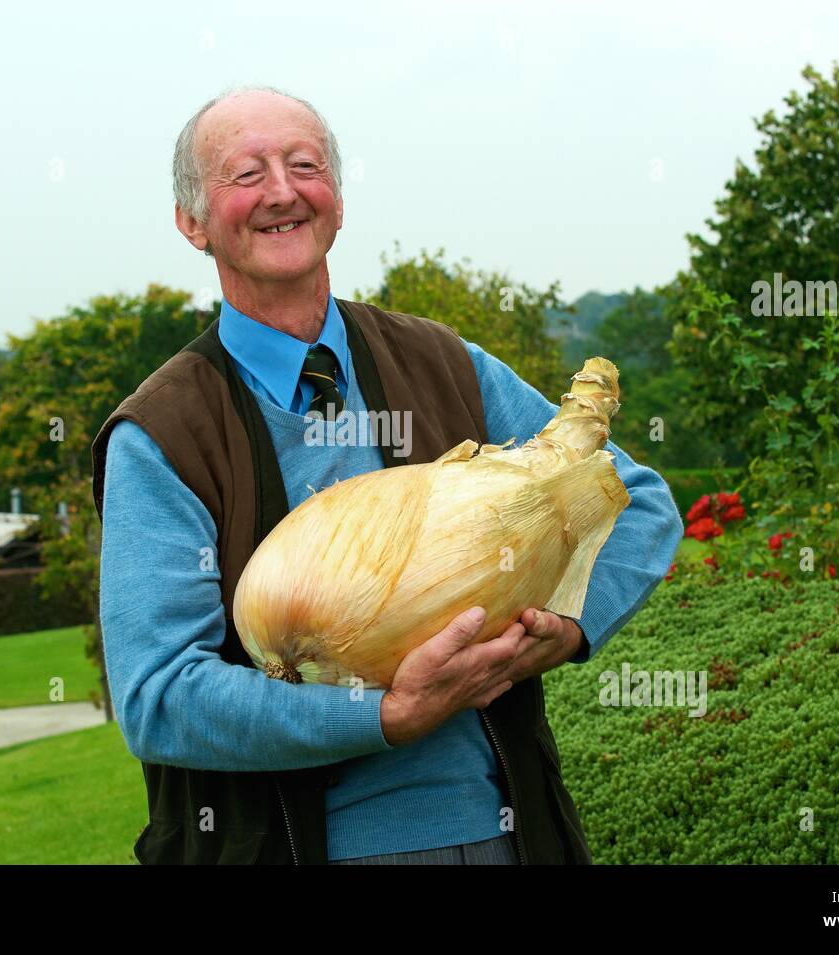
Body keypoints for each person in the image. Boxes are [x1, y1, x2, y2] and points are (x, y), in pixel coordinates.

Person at [90, 85, 684, 865]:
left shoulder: (444, 363)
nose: (281, 191)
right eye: (245, 174)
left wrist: (569, 628)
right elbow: (158, 695)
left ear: (335, 200)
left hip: (506, 837)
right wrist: (380, 716)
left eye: (305, 165)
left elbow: (637, 500)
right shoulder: (162, 434)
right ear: (192, 221)